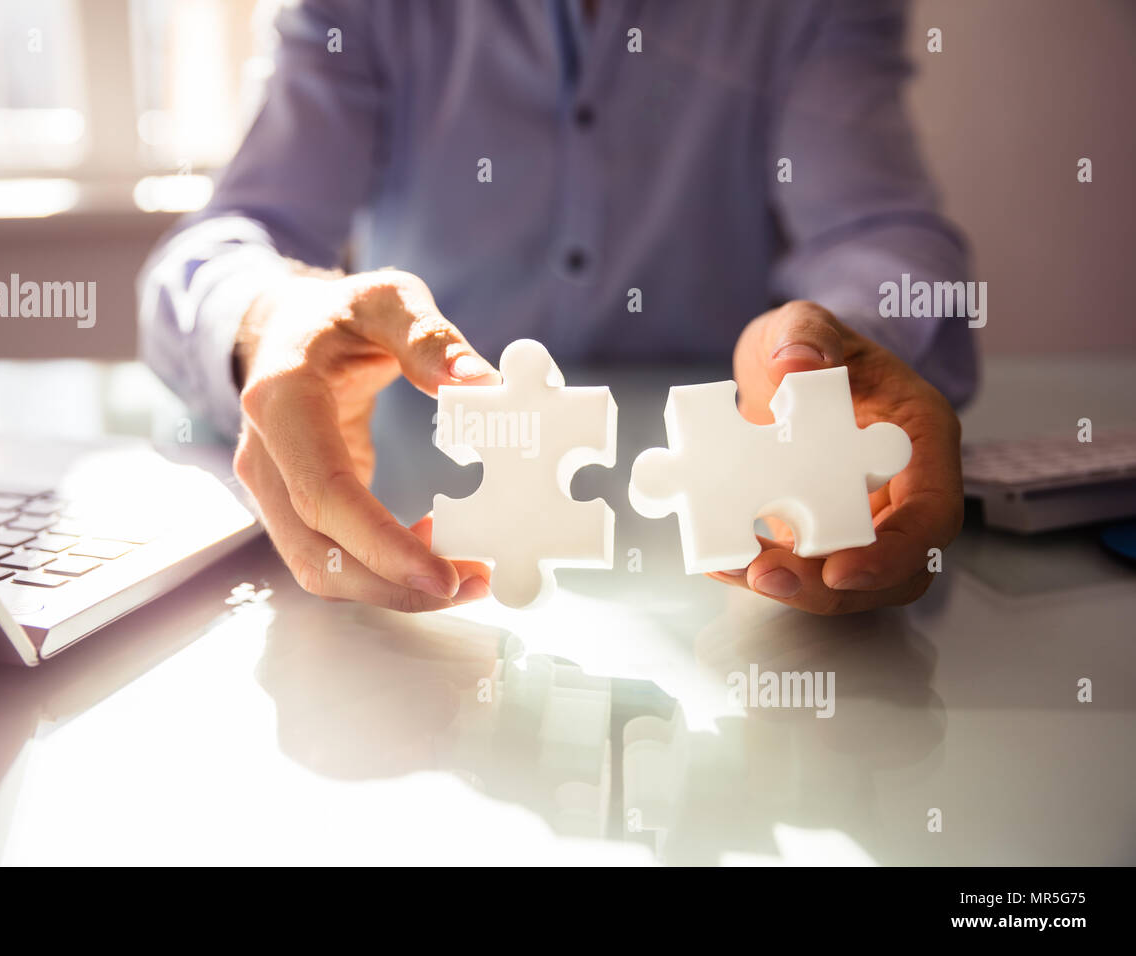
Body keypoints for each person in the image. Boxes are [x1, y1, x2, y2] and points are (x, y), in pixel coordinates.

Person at [138, 0, 972, 616]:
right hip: (417, 502)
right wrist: (269, 318)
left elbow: (881, 233)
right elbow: (222, 245)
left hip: (736, 540)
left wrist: (837, 351)